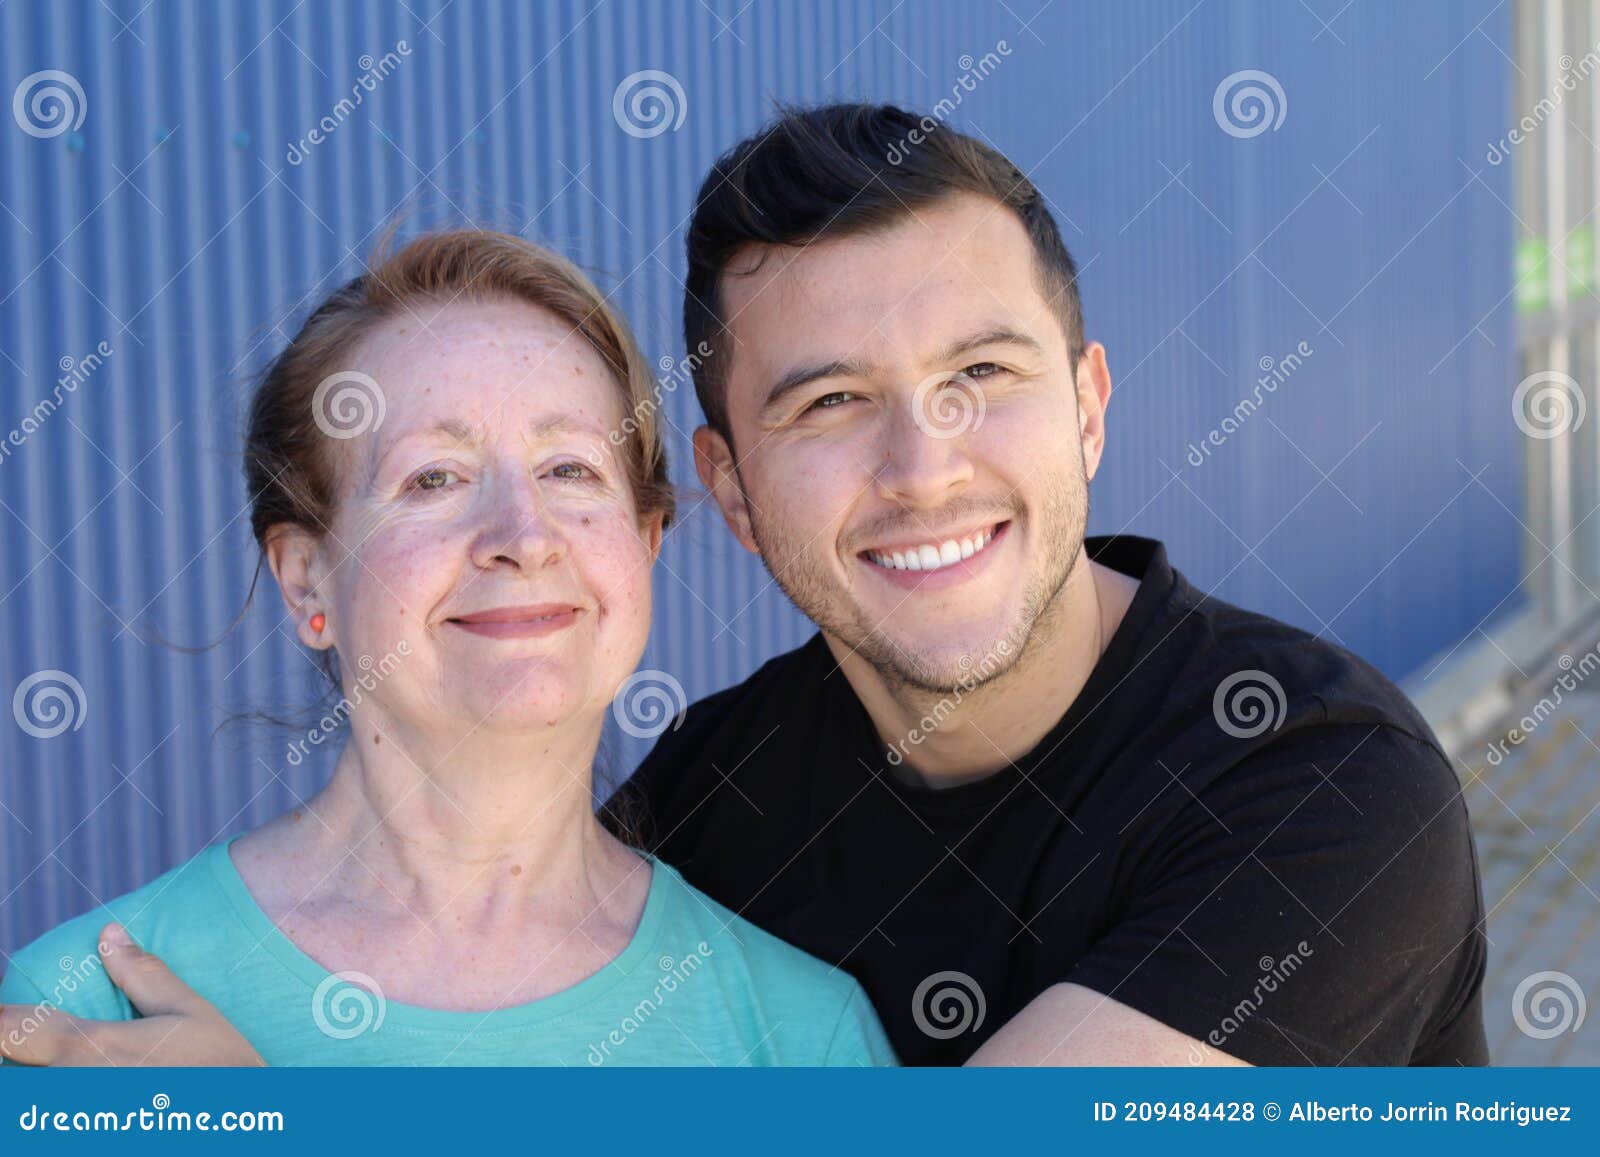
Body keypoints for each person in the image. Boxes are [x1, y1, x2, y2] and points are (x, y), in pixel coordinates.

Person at [3, 103, 1490, 1069]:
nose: (922, 467)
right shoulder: (721, 802)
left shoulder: (1319, 783)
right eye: (830, 401)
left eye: (982, 373)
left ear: (1090, 408)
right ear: (725, 486)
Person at [0, 228, 894, 1067]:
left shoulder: (804, 1039)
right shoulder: (88, 1010)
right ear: (308, 580)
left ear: (645, 542)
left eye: (570, 469)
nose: (523, 535)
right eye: (433, 478)